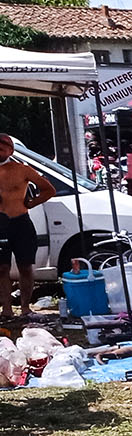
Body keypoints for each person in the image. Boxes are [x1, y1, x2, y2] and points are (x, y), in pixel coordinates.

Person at [0, 134, 54, 319]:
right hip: (0, 223)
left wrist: (31, 203)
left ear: (10, 150)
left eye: (3, 147)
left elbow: (49, 189)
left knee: (25, 266)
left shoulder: (23, 170)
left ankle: (25, 308)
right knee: (2, 268)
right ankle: (6, 309)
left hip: (21, 221)